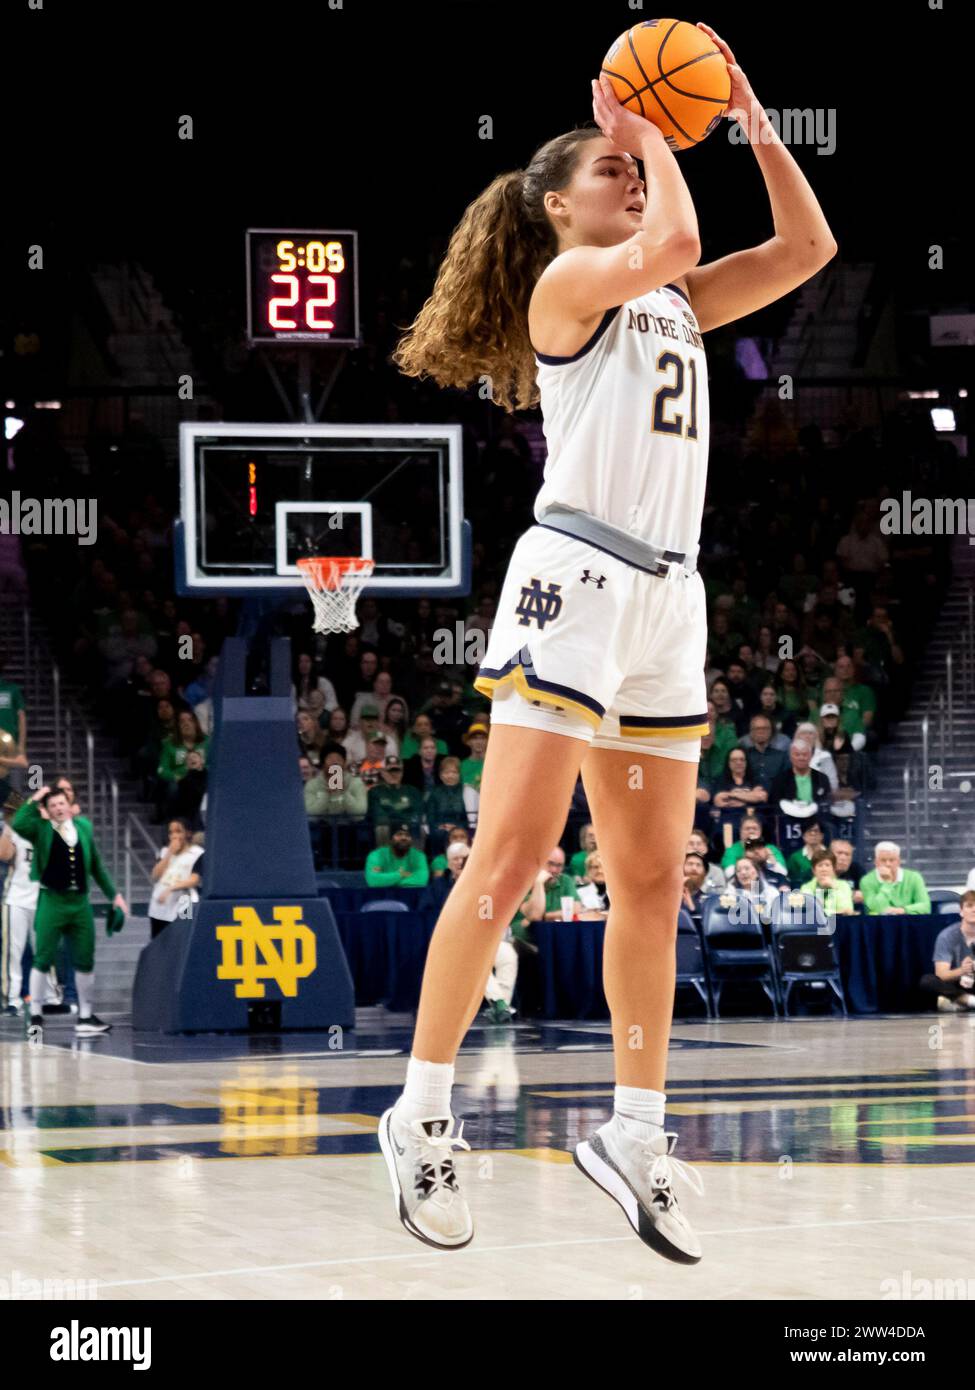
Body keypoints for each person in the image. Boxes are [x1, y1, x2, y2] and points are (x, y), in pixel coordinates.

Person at [378, 27, 835, 1260]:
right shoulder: (568, 288)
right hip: (573, 580)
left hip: (666, 605)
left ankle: (636, 1129)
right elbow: (674, 239)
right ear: (553, 204)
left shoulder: (674, 296)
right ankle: (420, 1111)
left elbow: (807, 249)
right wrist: (650, 129)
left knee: (648, 883)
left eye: (634, 166)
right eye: (609, 170)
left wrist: (745, 115)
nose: (630, 179)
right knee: (515, 856)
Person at [12, 787, 128, 1036]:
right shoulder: (41, 829)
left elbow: (96, 864)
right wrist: (36, 798)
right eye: (52, 805)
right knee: (42, 957)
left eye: (61, 803)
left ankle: (85, 1017)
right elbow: (20, 822)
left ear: (69, 803)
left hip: (79, 903)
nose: (58, 808)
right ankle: (36, 1014)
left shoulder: (83, 827)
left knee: (85, 958)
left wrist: (114, 895)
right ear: (47, 809)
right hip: (52, 900)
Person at [148, 819, 204, 939]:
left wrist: (171, 888)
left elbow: (194, 879)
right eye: (171, 832)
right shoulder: (164, 852)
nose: (174, 836)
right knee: (159, 941)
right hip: (160, 901)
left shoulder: (197, 853)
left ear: (187, 833)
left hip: (185, 899)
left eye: (178, 831)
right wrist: (169, 853)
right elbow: (155, 875)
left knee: (183, 938)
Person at [920, 891, 975, 1012]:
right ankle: (968, 1001)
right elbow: (941, 974)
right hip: (956, 984)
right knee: (927, 981)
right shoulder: (947, 936)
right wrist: (962, 970)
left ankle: (957, 1004)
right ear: (961, 911)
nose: (974, 910)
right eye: (970, 905)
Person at [859, 841, 931, 915]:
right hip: (879, 924)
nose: (888, 864)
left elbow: (925, 907)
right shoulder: (866, 881)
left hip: (909, 922)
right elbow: (876, 908)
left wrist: (903, 910)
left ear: (899, 861)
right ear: (876, 862)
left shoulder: (914, 877)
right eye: (883, 860)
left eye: (892, 860)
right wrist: (887, 883)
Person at [364, 824, 431, 887]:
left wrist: (390, 882)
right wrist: (400, 875)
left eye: (407, 835)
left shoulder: (419, 856)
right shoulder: (377, 855)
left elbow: (422, 880)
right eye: (399, 834)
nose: (403, 838)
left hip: (411, 896)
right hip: (383, 896)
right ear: (391, 839)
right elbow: (373, 880)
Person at [798, 847, 855, 917]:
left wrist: (833, 888)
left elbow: (847, 910)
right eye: (820, 865)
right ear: (813, 870)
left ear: (833, 868)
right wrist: (834, 912)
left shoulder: (844, 885)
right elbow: (810, 912)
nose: (824, 869)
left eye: (827, 865)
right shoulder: (806, 888)